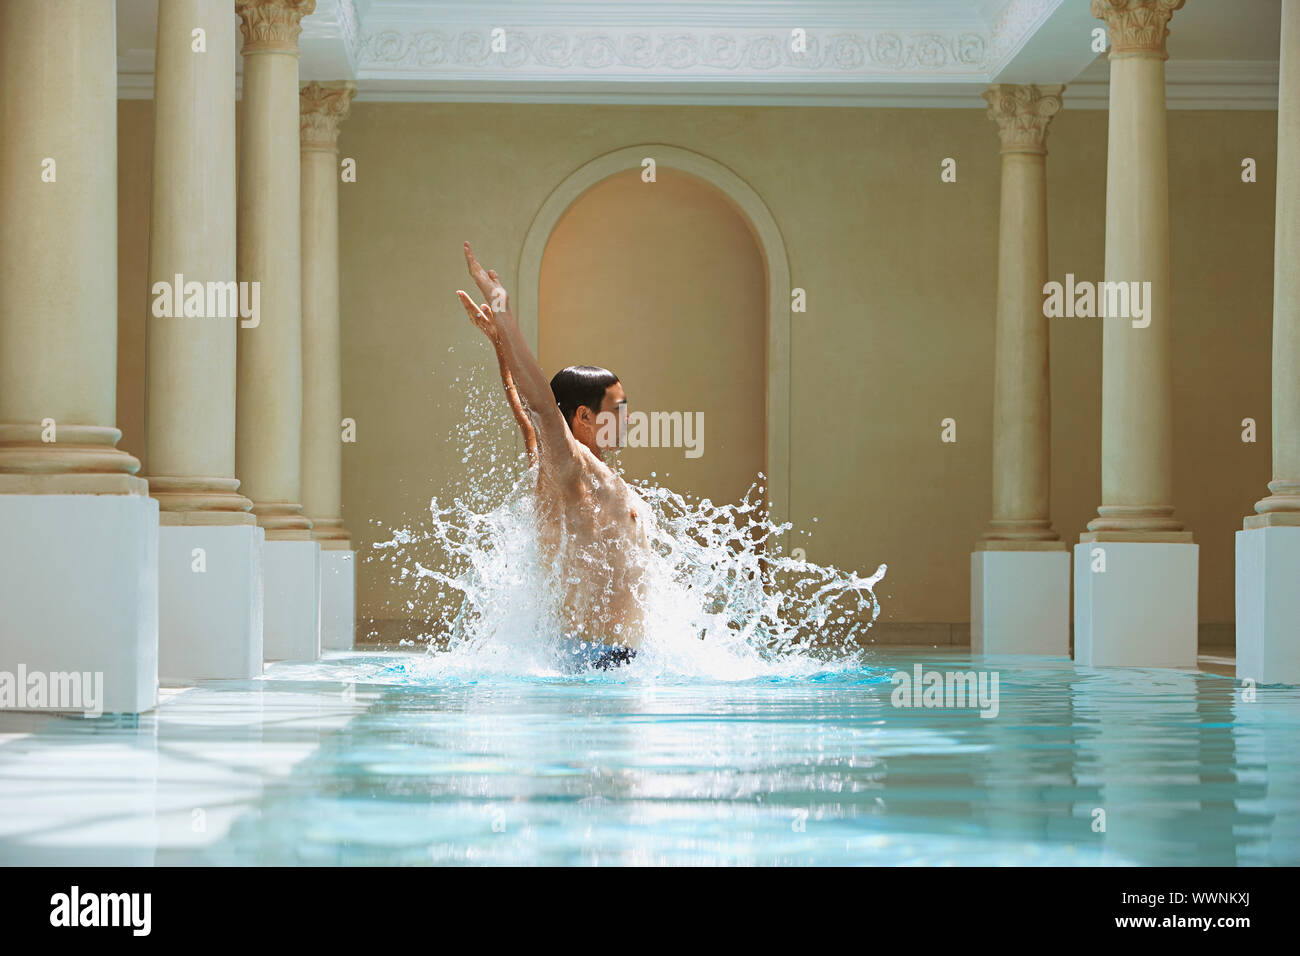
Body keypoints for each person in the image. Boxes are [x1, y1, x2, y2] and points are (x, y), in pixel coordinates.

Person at [455, 242, 650, 670]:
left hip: (603, 660)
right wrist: (501, 308)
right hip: (595, 665)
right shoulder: (571, 468)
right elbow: (541, 405)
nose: (629, 419)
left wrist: (499, 349)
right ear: (583, 415)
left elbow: (528, 417)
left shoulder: (558, 466)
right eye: (619, 409)